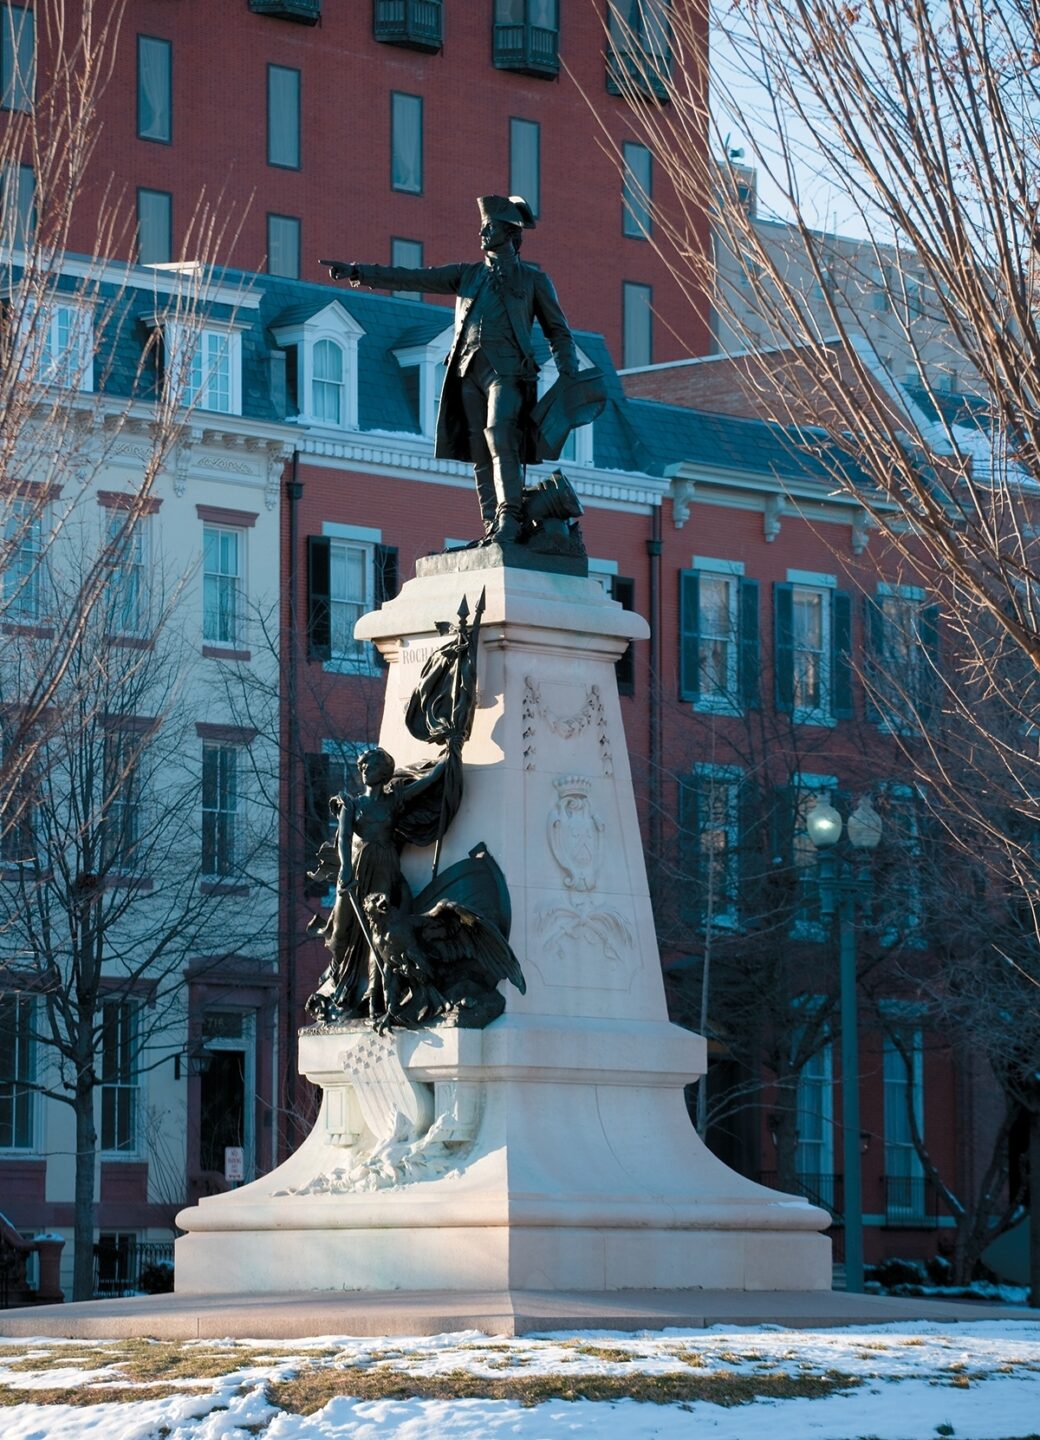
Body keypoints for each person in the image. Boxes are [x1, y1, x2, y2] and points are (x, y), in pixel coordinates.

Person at [322, 194, 580, 544]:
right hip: (468, 372)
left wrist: (569, 373)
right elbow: (413, 279)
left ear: (507, 231)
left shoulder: (534, 280)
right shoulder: (468, 275)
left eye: (488, 227)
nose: (482, 233)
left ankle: (510, 516)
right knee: (479, 449)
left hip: (508, 372)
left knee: (500, 434)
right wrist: (359, 272)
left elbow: (558, 332)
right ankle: (492, 525)